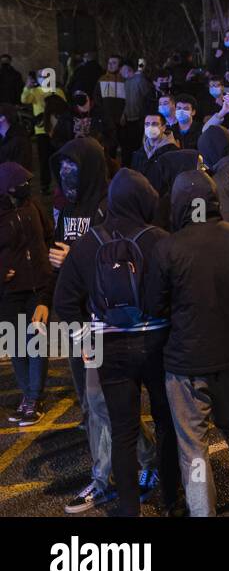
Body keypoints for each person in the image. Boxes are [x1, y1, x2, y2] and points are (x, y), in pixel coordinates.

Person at [53, 168, 177, 517]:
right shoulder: (160, 239)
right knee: (165, 424)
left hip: (109, 348)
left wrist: (84, 339)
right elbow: (179, 294)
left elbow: (64, 301)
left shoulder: (88, 243)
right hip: (157, 344)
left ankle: (127, 509)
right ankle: (171, 499)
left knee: (122, 431)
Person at [153, 170, 229, 516]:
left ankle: (202, 510)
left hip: (186, 361)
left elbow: (153, 304)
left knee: (193, 445)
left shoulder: (169, 248)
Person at [0, 163, 52, 425]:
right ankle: (27, 395)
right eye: (21, 182)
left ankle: (34, 397)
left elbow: (48, 238)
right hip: (10, 292)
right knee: (16, 345)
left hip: (36, 288)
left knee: (35, 343)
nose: (26, 187)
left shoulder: (33, 207)